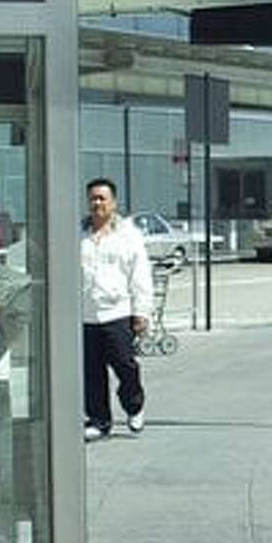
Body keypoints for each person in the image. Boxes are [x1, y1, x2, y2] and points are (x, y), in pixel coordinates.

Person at [80, 178, 152, 440]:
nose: (97, 203)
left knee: (125, 365)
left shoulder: (128, 236)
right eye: (93, 199)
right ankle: (99, 420)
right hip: (86, 315)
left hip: (117, 313)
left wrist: (142, 312)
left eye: (102, 198)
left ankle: (134, 406)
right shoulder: (79, 235)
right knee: (92, 372)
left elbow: (140, 276)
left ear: (113, 202)